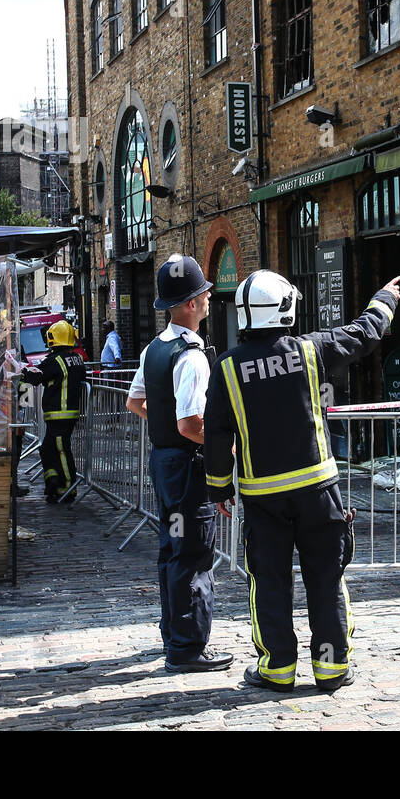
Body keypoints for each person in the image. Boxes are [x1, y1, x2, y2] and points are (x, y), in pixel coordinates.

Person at [204, 270, 400, 693]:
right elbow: (364, 334)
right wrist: (384, 298)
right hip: (318, 492)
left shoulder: (226, 368)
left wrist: (219, 487)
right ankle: (331, 669)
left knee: (270, 583)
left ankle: (276, 669)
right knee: (326, 578)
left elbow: (217, 432)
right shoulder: (312, 350)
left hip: (263, 498)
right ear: (286, 308)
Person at [126, 254, 232, 674]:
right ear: (190, 303)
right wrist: (223, 447)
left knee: (172, 547)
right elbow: (192, 424)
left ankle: (173, 633)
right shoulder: (191, 354)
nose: (208, 296)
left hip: (164, 463)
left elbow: (135, 402)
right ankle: (188, 646)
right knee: (192, 551)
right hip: (188, 467)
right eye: (203, 291)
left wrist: (167, 426)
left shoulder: (155, 348)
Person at [21, 320, 88, 504]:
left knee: (61, 450)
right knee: (47, 449)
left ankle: (68, 489)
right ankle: (53, 483)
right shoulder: (76, 358)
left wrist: (19, 374)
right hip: (68, 413)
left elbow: (34, 377)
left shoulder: (54, 361)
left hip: (59, 414)